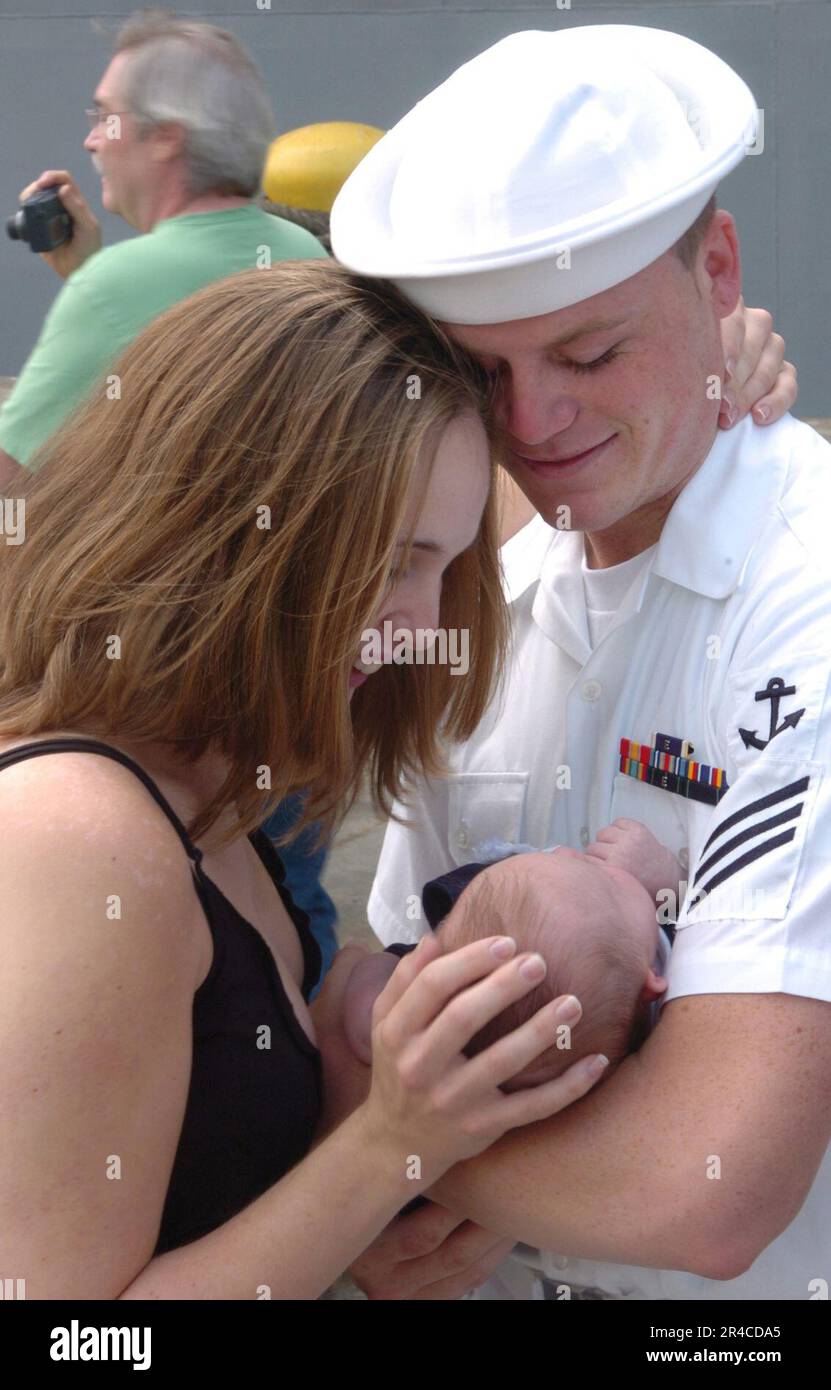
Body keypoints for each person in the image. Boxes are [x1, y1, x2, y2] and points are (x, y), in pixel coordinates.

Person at [0, 257, 615, 1300]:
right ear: (227, 530)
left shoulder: (207, 790)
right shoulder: (84, 834)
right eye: (389, 562)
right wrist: (388, 1147)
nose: (420, 623)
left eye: (441, 561)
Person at [328, 26, 829, 1301]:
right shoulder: (480, 600)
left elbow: (705, 1190)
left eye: (592, 354)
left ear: (717, 272)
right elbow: (384, 993)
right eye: (480, 371)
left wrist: (396, 1163)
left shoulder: (807, 599)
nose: (534, 423)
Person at [0, 9, 327, 494]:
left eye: (106, 118)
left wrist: (95, 287)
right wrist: (90, 277)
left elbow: (11, 480)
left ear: (166, 137)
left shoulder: (116, 284)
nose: (91, 141)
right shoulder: (301, 251)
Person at [342, 823, 676, 1085]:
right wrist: (672, 885)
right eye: (609, 885)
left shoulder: (479, 932)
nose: (578, 855)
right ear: (652, 982)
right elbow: (711, 914)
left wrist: (377, 997)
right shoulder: (676, 975)